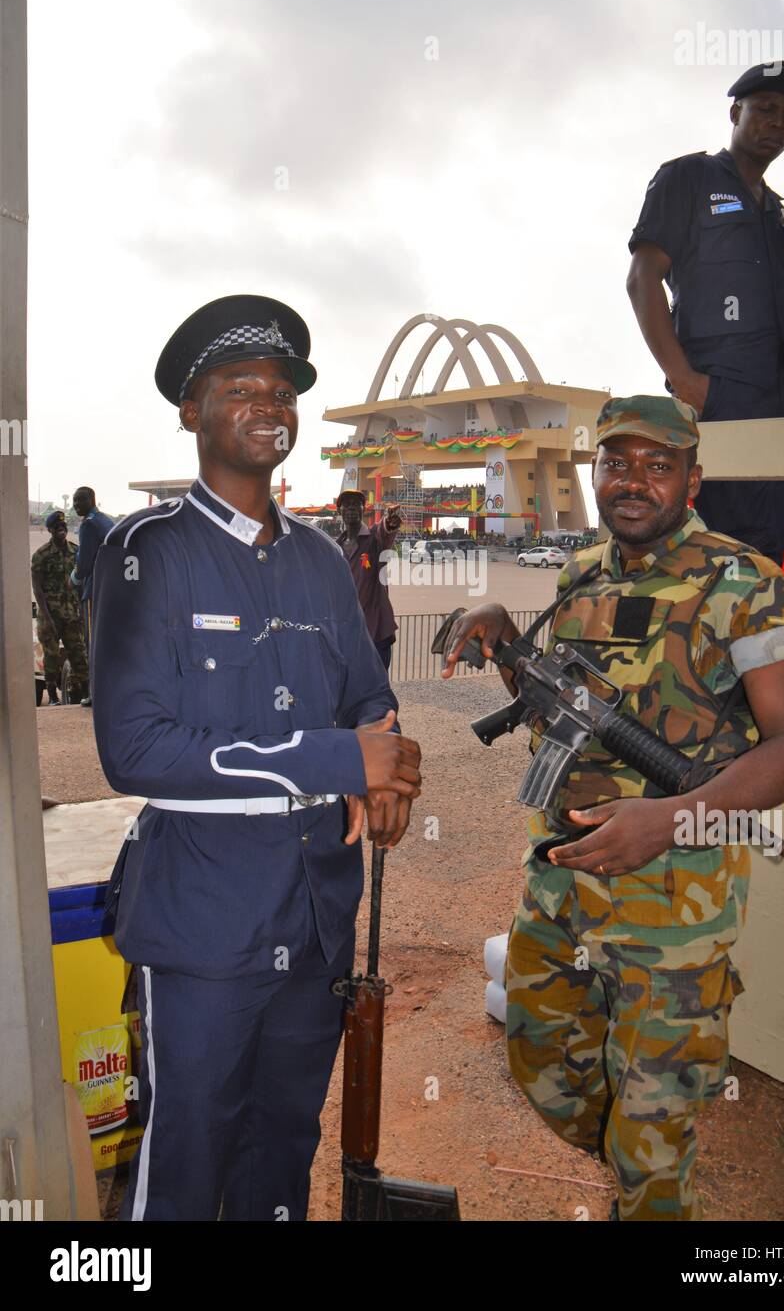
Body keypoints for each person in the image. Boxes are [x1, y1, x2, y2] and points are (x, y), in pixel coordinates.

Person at [442, 394, 784, 1221]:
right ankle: (636, 1169)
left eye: (659, 464)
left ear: (692, 478)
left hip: (674, 911)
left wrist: (671, 819)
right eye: (618, 462)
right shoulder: (582, 573)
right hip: (560, 888)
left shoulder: (746, 584)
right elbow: (563, 711)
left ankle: (650, 1187)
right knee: (540, 1065)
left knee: (653, 1139)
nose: (634, 480)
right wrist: (504, 633)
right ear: (595, 471)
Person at [91, 294, 422, 1221]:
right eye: (241, 387)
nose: (268, 402)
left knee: (285, 1144)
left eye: (282, 390)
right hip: (204, 919)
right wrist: (338, 761)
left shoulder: (322, 560)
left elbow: (367, 693)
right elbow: (135, 749)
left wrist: (388, 760)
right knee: (189, 1155)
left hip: (318, 913)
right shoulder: (145, 553)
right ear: (191, 411)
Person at [626, 60, 784, 787]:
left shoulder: (778, 213)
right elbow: (642, 279)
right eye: (763, 109)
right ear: (735, 113)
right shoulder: (688, 179)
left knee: (769, 576)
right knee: (714, 568)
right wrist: (685, 379)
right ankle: (702, 733)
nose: (776, 124)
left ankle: (780, 740)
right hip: (723, 406)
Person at [335, 488, 402, 669]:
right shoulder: (335, 548)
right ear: (339, 511)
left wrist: (390, 523)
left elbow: (385, 532)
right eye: (346, 505)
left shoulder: (373, 539)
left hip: (376, 633)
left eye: (356, 504)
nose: (351, 508)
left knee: (378, 691)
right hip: (348, 634)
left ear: (364, 509)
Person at [30, 510, 89, 706]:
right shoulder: (41, 555)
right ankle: (53, 698)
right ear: (50, 530)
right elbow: (37, 588)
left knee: (79, 655)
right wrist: (47, 617)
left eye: (63, 527)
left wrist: (81, 610)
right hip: (50, 616)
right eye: (57, 528)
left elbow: (82, 582)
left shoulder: (76, 551)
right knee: (52, 658)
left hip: (72, 616)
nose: (61, 530)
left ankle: (86, 693)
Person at [71, 486, 114, 705]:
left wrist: (75, 578)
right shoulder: (106, 521)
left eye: (79, 501)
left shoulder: (89, 525)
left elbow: (84, 563)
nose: (76, 506)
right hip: (110, 589)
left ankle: (95, 694)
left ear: (91, 500)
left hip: (93, 590)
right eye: (74, 502)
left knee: (93, 642)